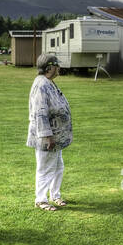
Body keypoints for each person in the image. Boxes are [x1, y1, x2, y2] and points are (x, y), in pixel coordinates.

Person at [28, 55, 73, 210]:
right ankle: (41, 199)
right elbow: (40, 113)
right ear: (49, 67)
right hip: (47, 137)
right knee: (45, 168)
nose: (59, 68)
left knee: (58, 166)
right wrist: (47, 136)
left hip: (56, 137)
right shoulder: (41, 85)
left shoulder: (49, 83)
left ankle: (55, 195)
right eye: (56, 65)